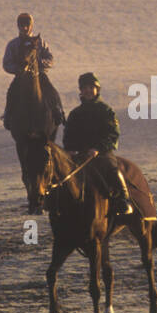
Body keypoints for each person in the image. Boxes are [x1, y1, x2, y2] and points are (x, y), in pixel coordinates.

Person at [63, 72, 133, 216]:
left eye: (91, 87)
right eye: (84, 88)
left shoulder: (106, 110)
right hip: (79, 155)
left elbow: (113, 133)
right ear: (81, 91)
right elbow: (68, 136)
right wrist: (70, 149)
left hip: (101, 153)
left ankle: (123, 200)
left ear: (97, 89)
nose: (88, 90)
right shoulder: (75, 114)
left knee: (112, 169)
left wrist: (98, 149)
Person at [2, 12, 64, 129]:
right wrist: (17, 69)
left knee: (51, 90)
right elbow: (6, 63)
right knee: (11, 92)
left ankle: (58, 111)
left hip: (39, 74)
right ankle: (8, 115)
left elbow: (50, 58)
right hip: (21, 76)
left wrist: (39, 64)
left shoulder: (40, 42)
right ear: (18, 26)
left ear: (31, 25)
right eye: (22, 25)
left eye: (27, 25)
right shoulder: (13, 44)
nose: (24, 28)